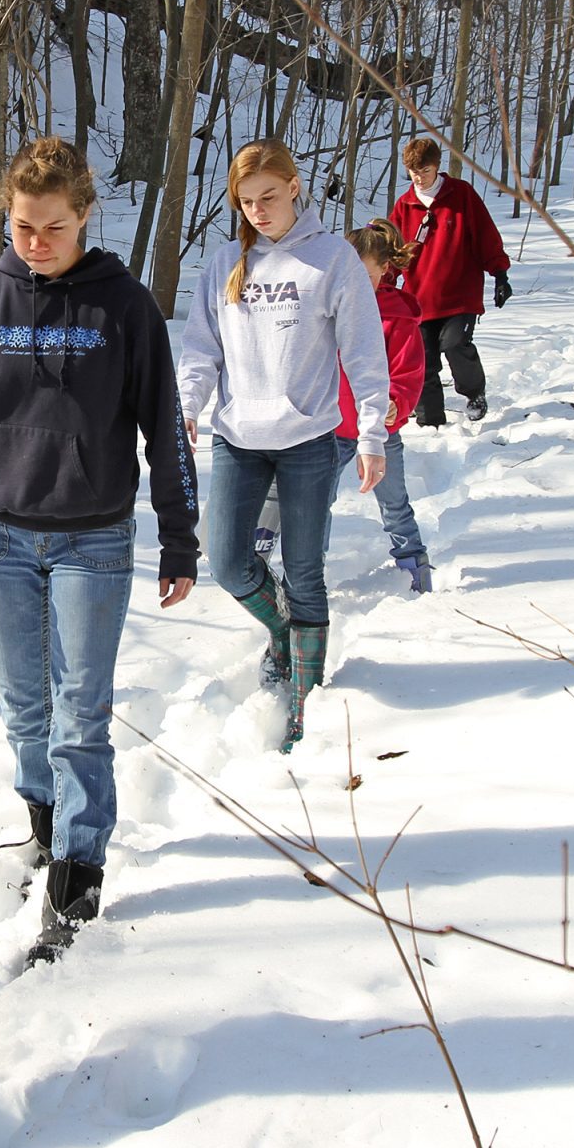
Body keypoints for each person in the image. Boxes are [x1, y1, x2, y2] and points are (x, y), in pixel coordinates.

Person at [0, 136, 197, 966]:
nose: (35, 243)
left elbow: (165, 429)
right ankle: (42, 822)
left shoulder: (125, 307)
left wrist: (180, 537)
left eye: (53, 228)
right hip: (0, 533)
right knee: (25, 706)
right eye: (21, 226)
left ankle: (78, 872)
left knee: (80, 711)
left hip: (93, 539)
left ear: (84, 218)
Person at [179, 138, 391, 752]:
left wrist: (373, 432)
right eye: (246, 203)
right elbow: (201, 349)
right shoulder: (224, 264)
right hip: (239, 438)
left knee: (303, 570)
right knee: (225, 560)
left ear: (295, 187)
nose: (258, 212)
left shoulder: (332, 261)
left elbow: (364, 355)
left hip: (308, 440)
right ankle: (284, 636)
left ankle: (305, 699)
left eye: (268, 197)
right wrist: (187, 407)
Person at [388, 137, 512, 426]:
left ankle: (474, 393)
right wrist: (383, 284)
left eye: (425, 171)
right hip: (419, 298)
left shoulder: (461, 195)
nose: (419, 178)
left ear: (437, 167)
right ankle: (429, 419)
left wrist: (500, 274)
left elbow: (486, 237)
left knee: (455, 344)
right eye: (413, 172)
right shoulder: (404, 205)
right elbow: (392, 253)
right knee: (423, 358)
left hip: (460, 295)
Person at [340, 220, 431, 591]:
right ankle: (303, 565)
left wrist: (394, 402)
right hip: (333, 426)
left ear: (384, 269)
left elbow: (408, 371)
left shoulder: (397, 317)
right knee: (311, 503)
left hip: (380, 430)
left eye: (365, 273)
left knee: (394, 503)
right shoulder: (331, 309)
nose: (356, 282)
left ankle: (413, 561)